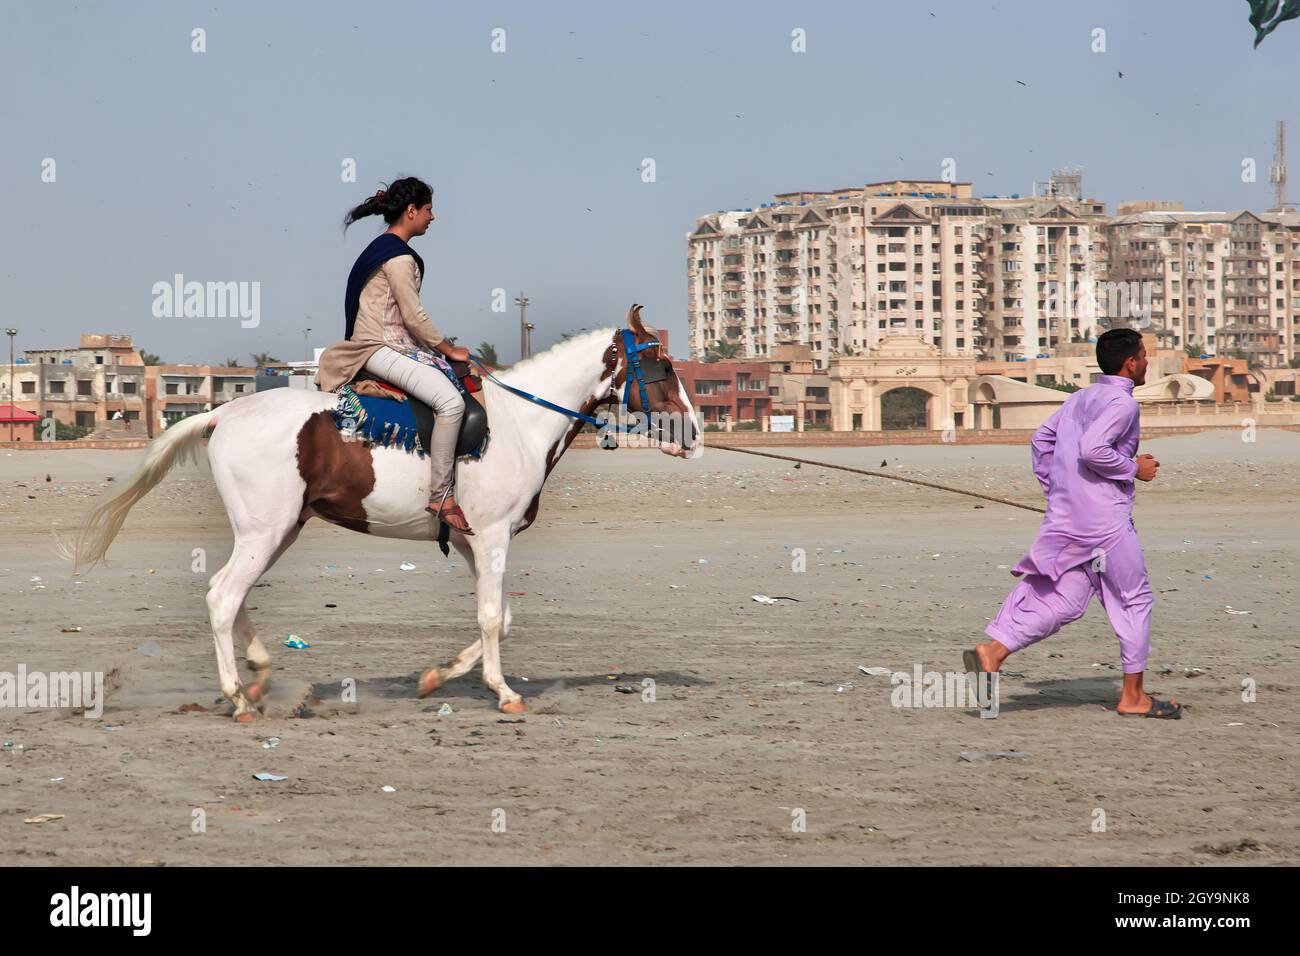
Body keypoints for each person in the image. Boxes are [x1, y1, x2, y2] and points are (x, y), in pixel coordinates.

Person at [964, 328, 1179, 718]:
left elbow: (1040, 440)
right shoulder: (1122, 404)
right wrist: (1133, 468)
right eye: (1144, 356)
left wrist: (1061, 493)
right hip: (1103, 523)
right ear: (1130, 363)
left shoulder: (1081, 397)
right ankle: (1133, 697)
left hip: (1068, 518)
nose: (1147, 362)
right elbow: (1092, 448)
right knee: (1133, 599)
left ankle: (992, 653)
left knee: (1066, 598)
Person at [316, 177, 473, 534]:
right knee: (451, 403)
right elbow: (414, 317)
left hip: (388, 345)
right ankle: (441, 495)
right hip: (380, 348)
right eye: (429, 210)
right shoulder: (399, 257)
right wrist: (448, 349)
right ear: (411, 210)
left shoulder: (381, 248)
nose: (433, 217)